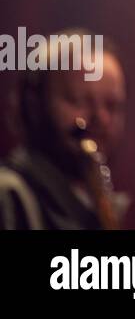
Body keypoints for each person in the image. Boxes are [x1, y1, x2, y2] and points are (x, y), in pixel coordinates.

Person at [0, 30, 128, 229]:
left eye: (112, 105)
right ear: (34, 104)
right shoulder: (8, 197)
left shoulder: (97, 208)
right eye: (79, 100)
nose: (101, 119)